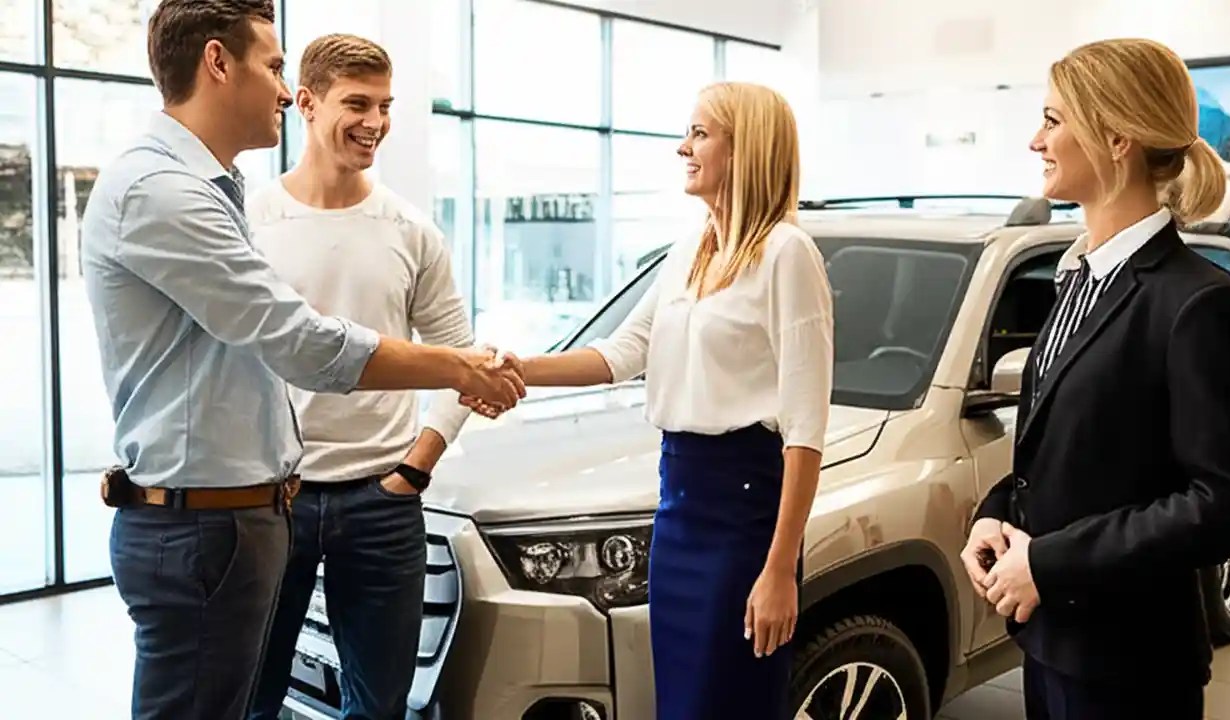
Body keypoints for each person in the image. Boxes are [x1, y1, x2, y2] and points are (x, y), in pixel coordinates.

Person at [79, 3, 522, 720]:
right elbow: (299, 342)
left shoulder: (218, 192)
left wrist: (413, 468)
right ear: (220, 63)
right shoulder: (176, 194)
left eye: (386, 106)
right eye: (276, 68)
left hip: (306, 507)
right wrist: (460, 369)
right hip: (215, 521)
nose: (282, 90)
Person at [466, 81, 834, 718]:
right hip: (678, 510)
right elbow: (623, 352)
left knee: (728, 701)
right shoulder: (691, 247)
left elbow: (804, 429)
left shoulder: (787, 254)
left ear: (744, 149)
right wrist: (520, 369)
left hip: (744, 516)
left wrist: (779, 570)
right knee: (682, 700)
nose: (682, 147)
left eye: (699, 134)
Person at [959, 37, 1230, 720]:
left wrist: (1051, 563)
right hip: (1053, 642)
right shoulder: (1077, 278)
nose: (1035, 140)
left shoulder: (1197, 300)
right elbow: (1073, 453)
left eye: (1052, 119)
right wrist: (997, 513)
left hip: (1131, 665)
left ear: (1116, 137)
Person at [242, 33, 477, 720]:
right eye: (357, 103)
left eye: (385, 105)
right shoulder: (250, 222)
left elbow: (460, 357)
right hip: (269, 498)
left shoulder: (411, 230)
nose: (375, 122)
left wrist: (416, 467)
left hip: (384, 503)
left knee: (378, 708)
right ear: (307, 103)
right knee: (251, 700)